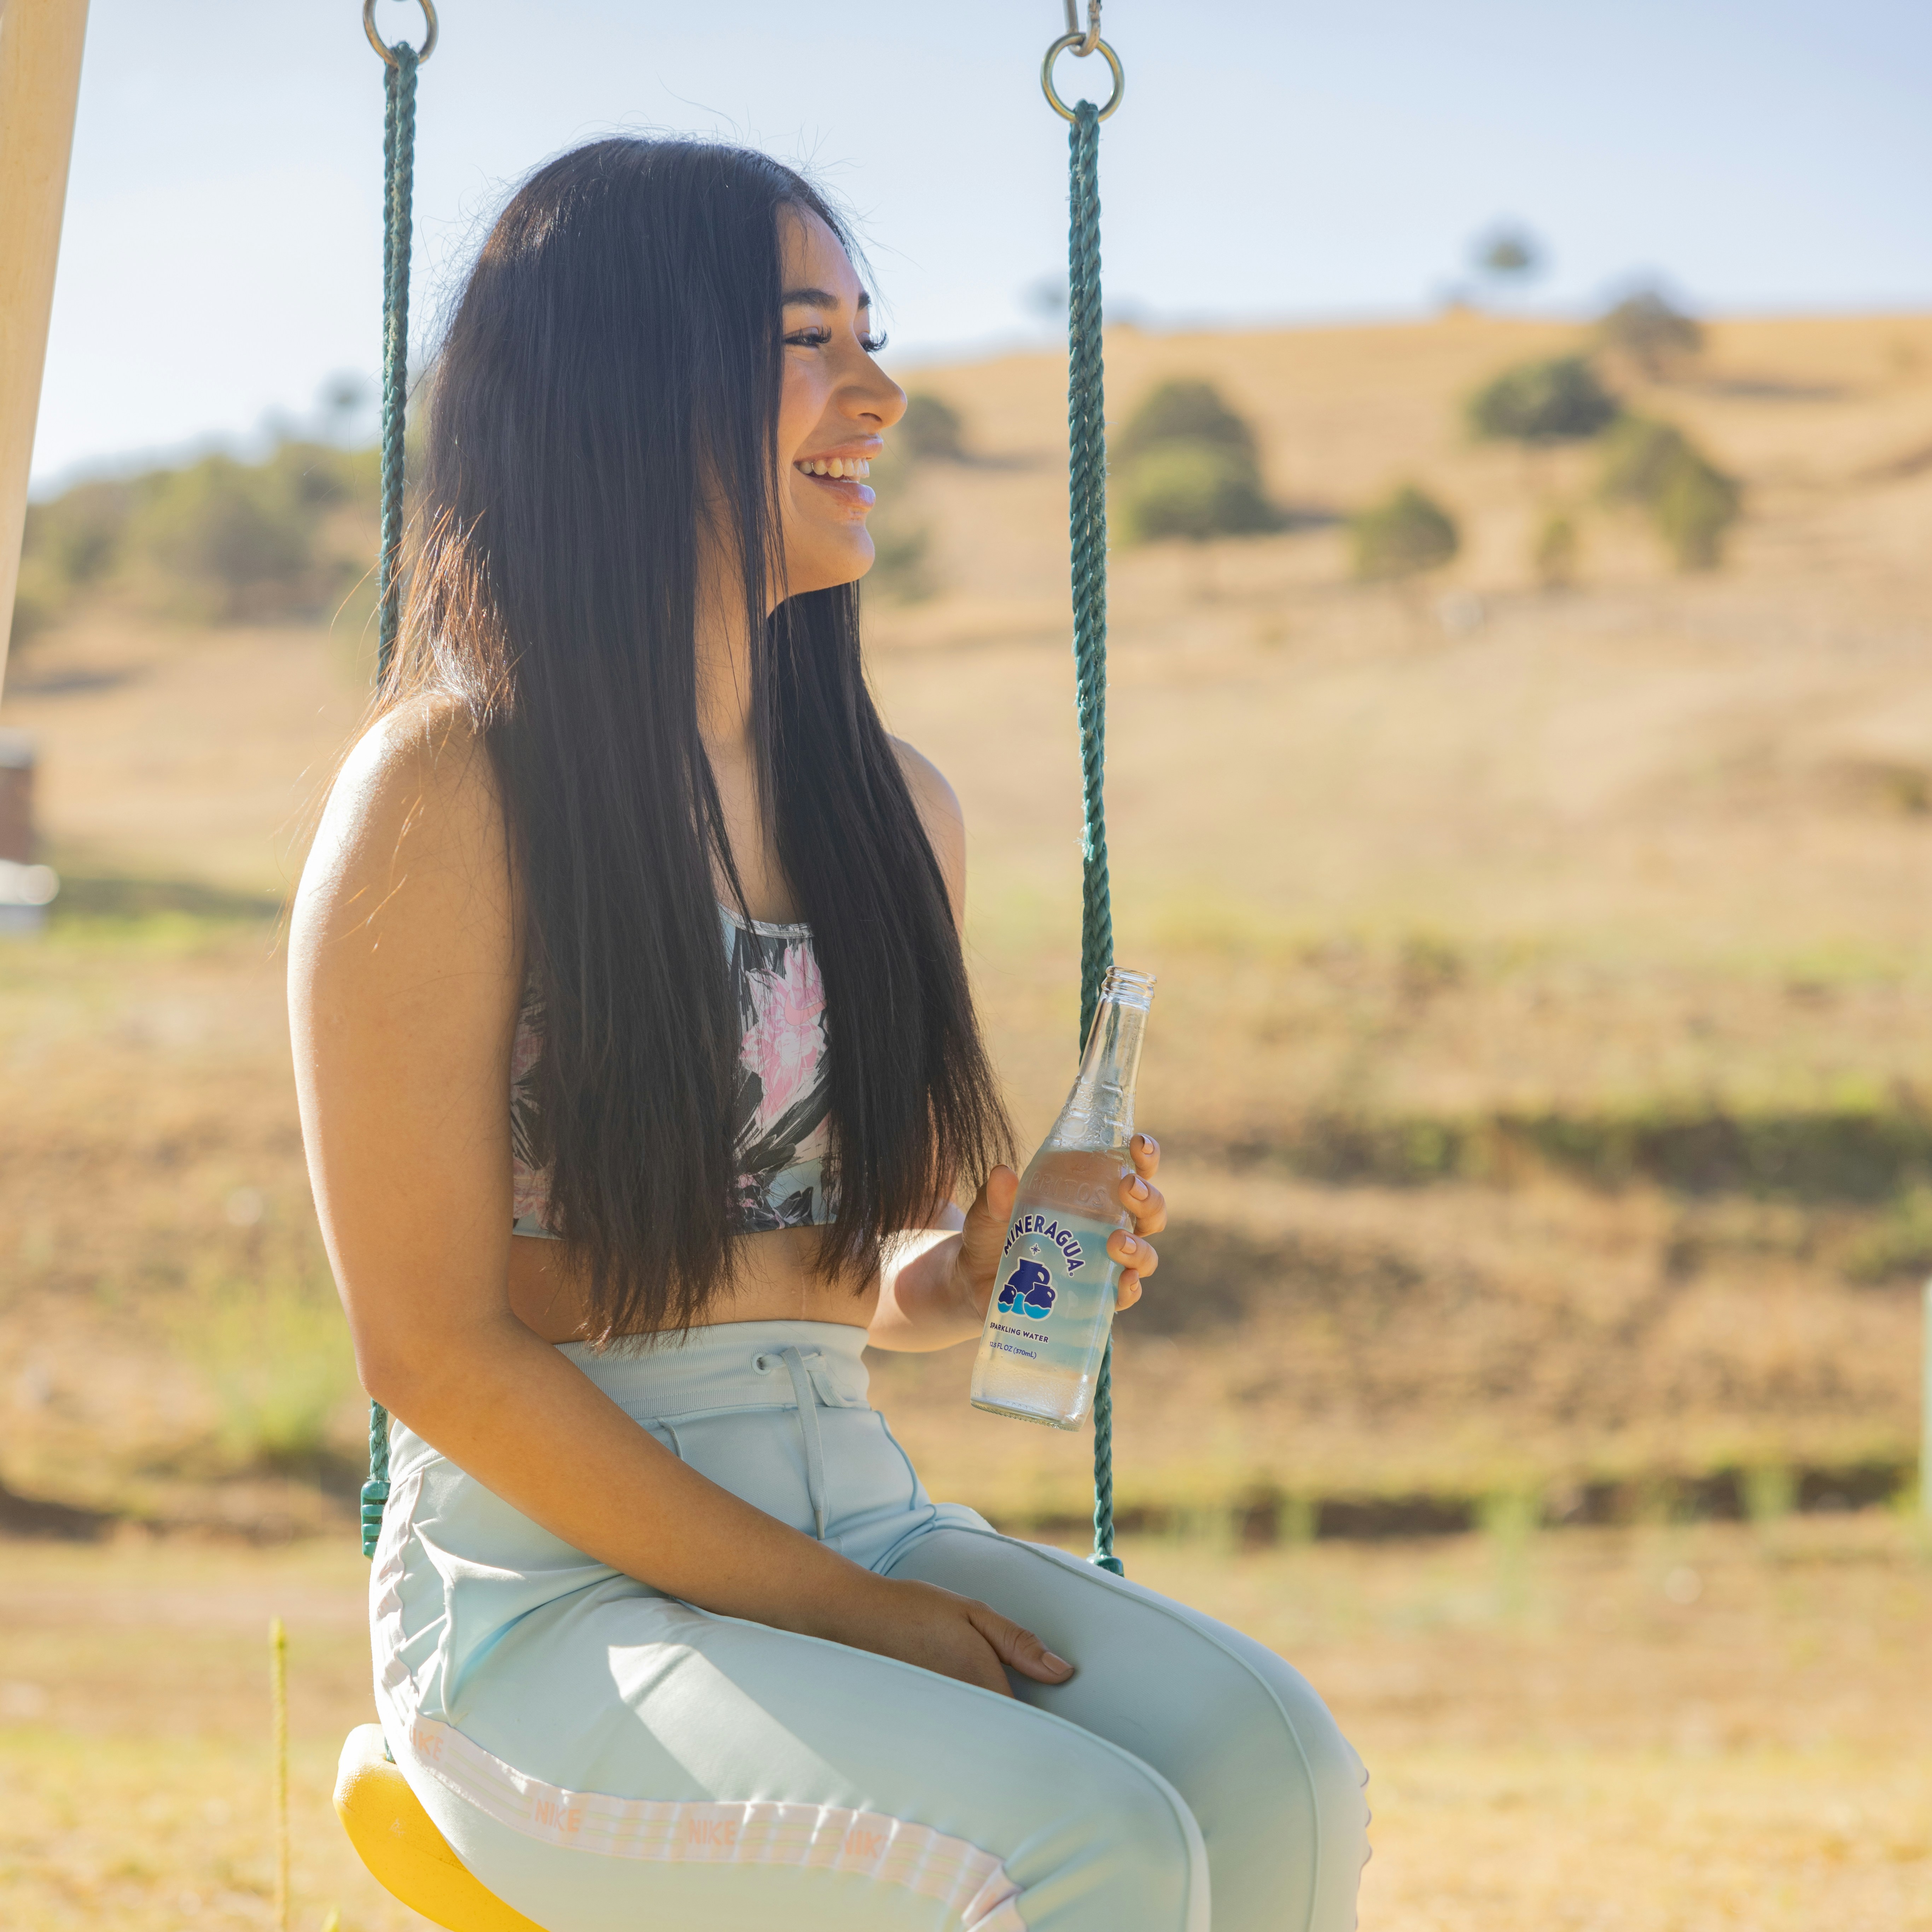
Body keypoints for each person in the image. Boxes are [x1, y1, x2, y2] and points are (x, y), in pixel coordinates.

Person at [290, 137, 1367, 1932]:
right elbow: (432, 1345)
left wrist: (966, 1278)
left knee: (1271, 1767)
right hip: (543, 1603)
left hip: (854, 1506)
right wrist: (846, 1614)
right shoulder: (450, 789)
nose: (880, 391)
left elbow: (839, 1275)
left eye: (873, 334)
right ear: (633, 384)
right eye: (810, 341)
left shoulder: (892, 811)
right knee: (1088, 1844)